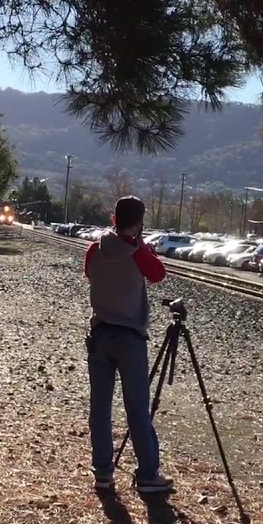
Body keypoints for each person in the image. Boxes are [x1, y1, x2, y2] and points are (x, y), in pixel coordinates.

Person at [83, 195, 174, 493]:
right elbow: (158, 274)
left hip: (99, 334)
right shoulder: (138, 253)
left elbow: (89, 273)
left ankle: (103, 472)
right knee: (136, 407)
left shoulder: (94, 249)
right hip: (130, 338)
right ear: (138, 223)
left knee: (100, 407)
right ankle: (148, 473)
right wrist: (141, 245)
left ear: (113, 218)